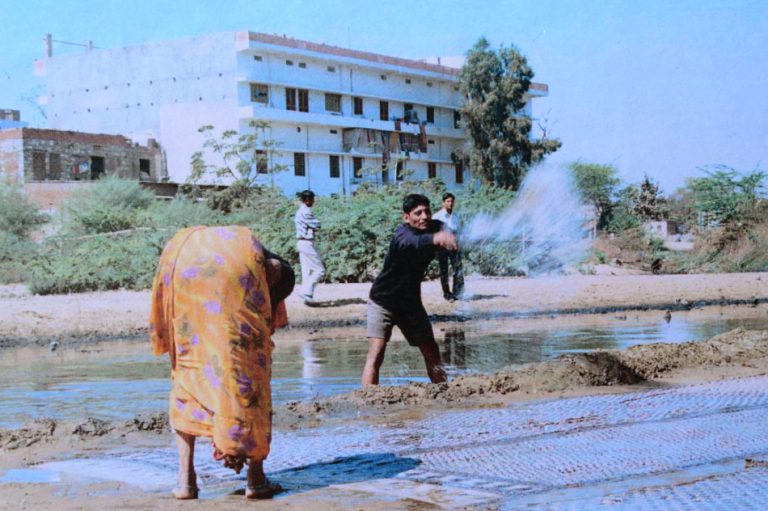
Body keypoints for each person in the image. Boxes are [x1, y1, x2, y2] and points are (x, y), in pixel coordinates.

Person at [150, 225, 295, 500]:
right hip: (233, 284)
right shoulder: (269, 267)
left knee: (188, 376)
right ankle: (256, 478)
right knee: (250, 381)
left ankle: (185, 481)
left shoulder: (236, 249)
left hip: (185, 271)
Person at [362, 194, 458, 386]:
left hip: (411, 304)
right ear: (406, 217)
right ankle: (367, 399)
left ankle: (443, 392)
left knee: (431, 350)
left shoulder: (436, 227)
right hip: (383, 302)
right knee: (376, 353)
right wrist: (436, 238)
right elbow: (411, 243)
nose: (424, 217)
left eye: (427, 212)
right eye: (418, 213)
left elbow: (453, 235)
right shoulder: (402, 234)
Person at [294, 190, 325, 304]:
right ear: (307, 200)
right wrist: (318, 223)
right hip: (307, 243)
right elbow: (316, 224)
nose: (313, 201)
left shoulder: (299, 211)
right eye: (312, 199)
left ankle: (308, 296)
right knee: (319, 270)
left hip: (302, 242)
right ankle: (305, 292)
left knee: (306, 271)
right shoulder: (306, 211)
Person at [432, 192, 464, 302]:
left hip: (454, 244)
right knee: (444, 270)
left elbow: (459, 231)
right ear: (443, 202)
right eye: (448, 201)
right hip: (442, 246)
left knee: (458, 268)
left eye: (452, 201)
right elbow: (434, 233)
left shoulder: (456, 216)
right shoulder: (437, 216)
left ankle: (458, 292)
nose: (450, 203)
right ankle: (447, 293)